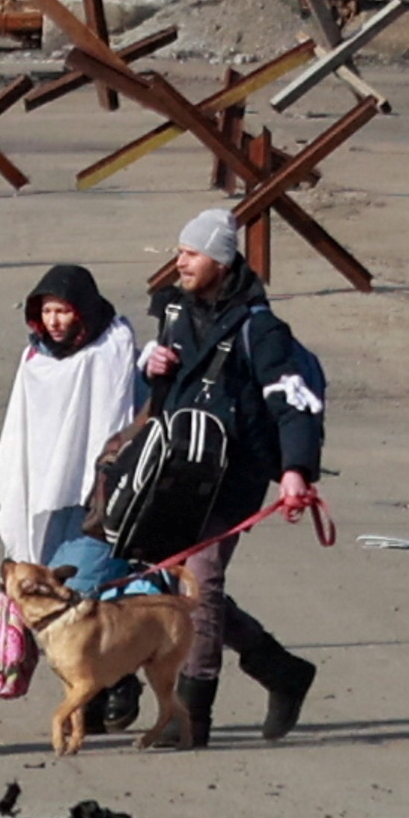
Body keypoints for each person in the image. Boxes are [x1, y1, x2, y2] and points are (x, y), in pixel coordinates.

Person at [130, 209, 323, 744]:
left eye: (190, 254)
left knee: (202, 582)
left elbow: (293, 402)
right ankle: (280, 669)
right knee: (182, 584)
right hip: (173, 471)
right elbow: (162, 392)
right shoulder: (173, 311)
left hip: (232, 478)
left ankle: (192, 716)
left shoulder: (260, 329)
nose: (180, 262)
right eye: (180, 252)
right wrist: (151, 367)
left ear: (220, 259)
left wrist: (294, 472)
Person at [0, 261, 146, 735]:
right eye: (48, 311)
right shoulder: (34, 358)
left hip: (99, 495)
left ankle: (119, 684)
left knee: (89, 587)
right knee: (75, 595)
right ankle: (97, 699)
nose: (55, 321)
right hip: (46, 496)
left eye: (63, 310)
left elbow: (115, 410)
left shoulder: (113, 346)